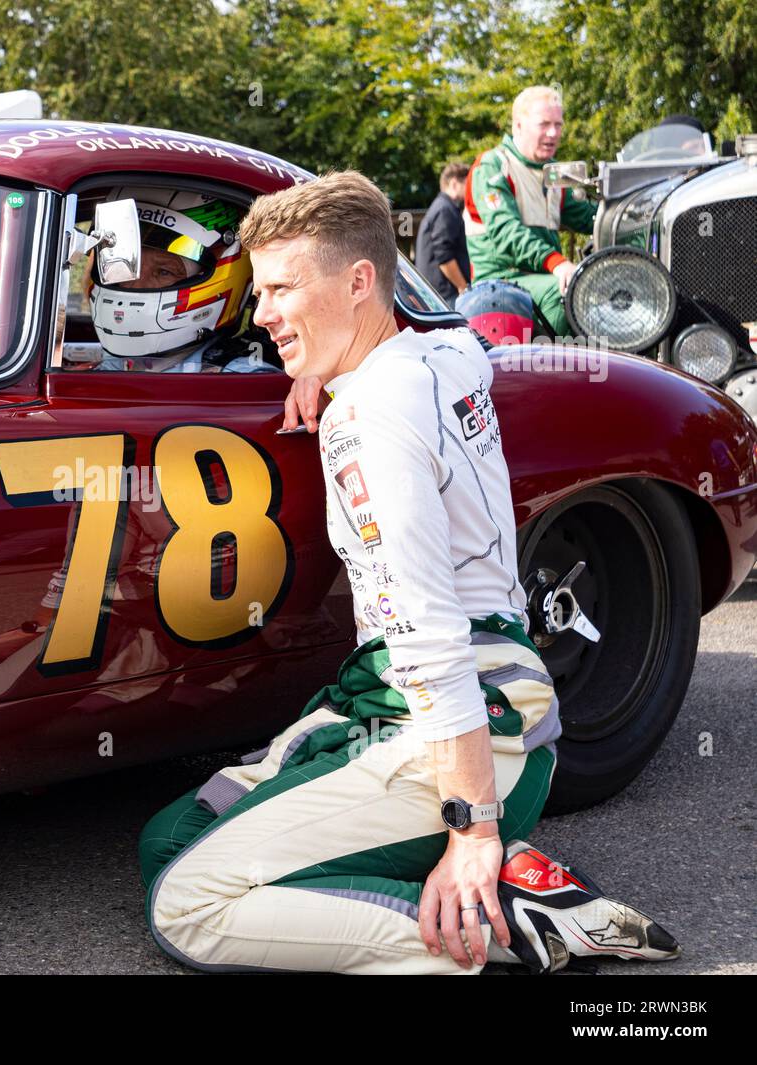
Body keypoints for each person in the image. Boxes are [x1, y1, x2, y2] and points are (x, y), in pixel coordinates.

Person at [137, 170, 681, 975]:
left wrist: (471, 827)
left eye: (283, 288)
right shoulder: (447, 352)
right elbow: (451, 336)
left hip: (457, 717)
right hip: (440, 695)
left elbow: (427, 629)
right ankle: (510, 885)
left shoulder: (369, 419)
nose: (262, 314)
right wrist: (324, 358)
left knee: (189, 903)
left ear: (359, 281)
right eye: (262, 291)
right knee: (173, 836)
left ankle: (495, 930)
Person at [87, 187, 278, 374]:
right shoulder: (112, 366)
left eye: (163, 272)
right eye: (127, 267)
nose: (136, 284)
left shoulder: (240, 384)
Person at [464, 86, 596, 337]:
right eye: (544, 124)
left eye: (558, 125)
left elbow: (588, 216)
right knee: (570, 292)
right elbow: (507, 233)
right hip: (499, 281)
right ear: (518, 126)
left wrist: (630, 216)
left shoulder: (554, 173)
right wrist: (557, 264)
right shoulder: (493, 166)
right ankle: (564, 373)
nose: (553, 133)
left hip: (542, 276)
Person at [415, 162, 471, 305]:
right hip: (444, 295)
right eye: (467, 183)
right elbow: (444, 255)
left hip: (439, 292)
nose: (470, 189)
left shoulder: (442, 206)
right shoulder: (445, 209)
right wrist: (463, 287)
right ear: (454, 183)